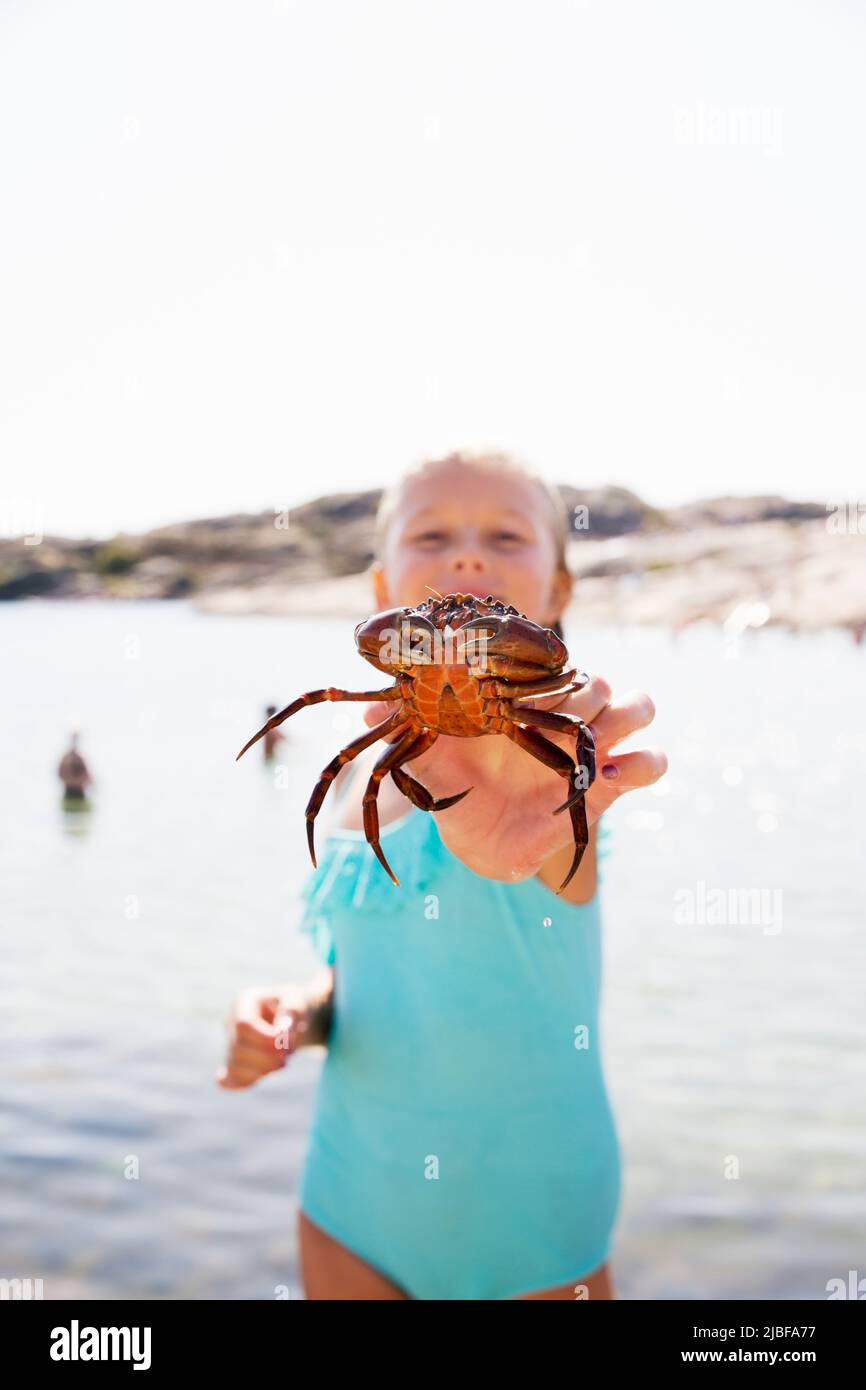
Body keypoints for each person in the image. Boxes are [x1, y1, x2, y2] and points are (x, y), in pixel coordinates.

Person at [218, 449, 668, 1300]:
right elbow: (373, 979)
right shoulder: (359, 774)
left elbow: (560, 861)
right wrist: (302, 1014)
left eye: (505, 535)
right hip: (351, 1199)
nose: (467, 558)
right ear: (382, 587)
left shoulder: (545, 773)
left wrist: (553, 807)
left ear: (559, 595)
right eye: (433, 536)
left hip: (533, 1222)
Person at [58, 730, 92, 800]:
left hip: (79, 792)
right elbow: (60, 773)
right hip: (69, 791)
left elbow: (86, 775)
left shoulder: (80, 758)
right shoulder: (66, 758)